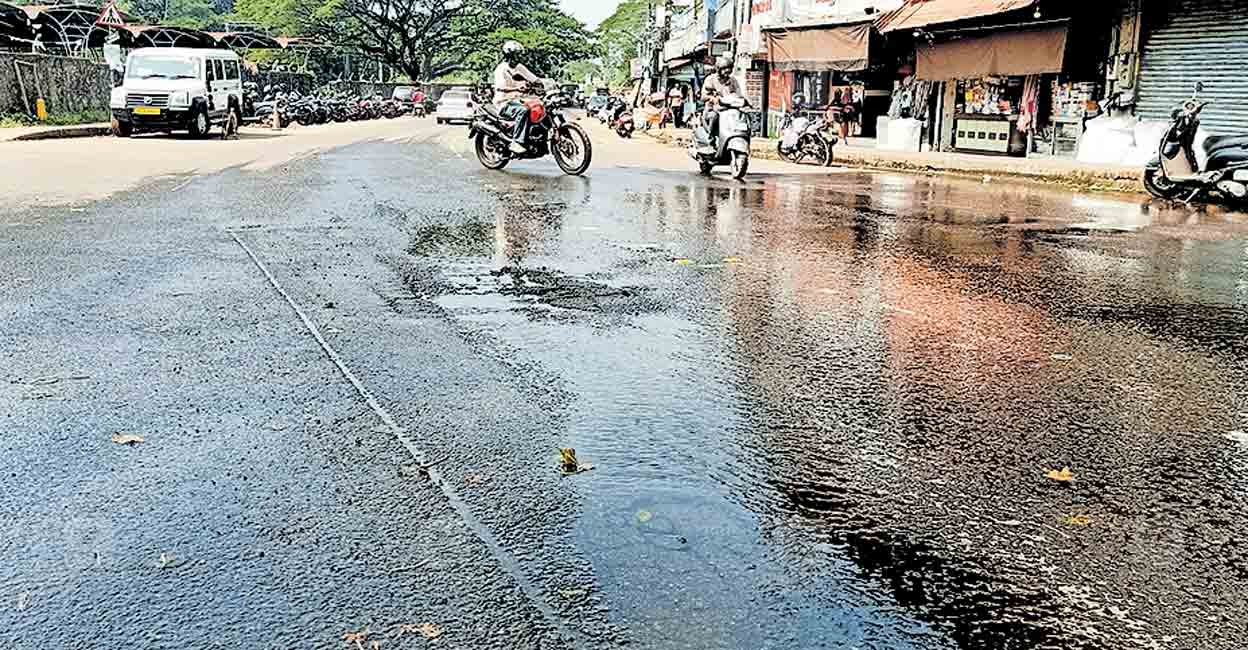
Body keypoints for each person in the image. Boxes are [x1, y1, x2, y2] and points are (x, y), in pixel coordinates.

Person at [493, 40, 540, 154]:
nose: (519, 57)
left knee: (538, 106)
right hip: (504, 102)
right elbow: (500, 87)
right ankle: (517, 142)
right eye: (517, 55)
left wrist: (544, 84)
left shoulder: (519, 67)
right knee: (523, 111)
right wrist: (516, 89)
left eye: (520, 54)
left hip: (518, 100)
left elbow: (534, 78)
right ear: (509, 55)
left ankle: (534, 137)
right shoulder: (501, 69)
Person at [699, 55, 743, 153]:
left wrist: (744, 101)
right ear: (719, 69)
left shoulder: (733, 80)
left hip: (729, 111)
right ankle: (711, 141)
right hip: (713, 109)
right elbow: (703, 96)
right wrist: (712, 98)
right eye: (724, 69)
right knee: (714, 117)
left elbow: (739, 94)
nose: (727, 72)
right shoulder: (710, 80)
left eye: (729, 69)